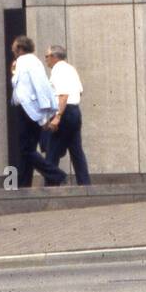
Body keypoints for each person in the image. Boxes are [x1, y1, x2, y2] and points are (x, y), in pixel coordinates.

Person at [10, 35, 66, 187]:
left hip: (29, 110)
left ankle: (56, 174)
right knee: (27, 149)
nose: (13, 50)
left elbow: (40, 86)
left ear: (20, 48)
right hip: (29, 109)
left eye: (14, 47)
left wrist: (44, 115)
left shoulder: (28, 62)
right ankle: (24, 183)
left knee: (26, 149)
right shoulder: (27, 62)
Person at [44, 44, 91, 185]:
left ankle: (51, 183)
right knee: (76, 151)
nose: (46, 59)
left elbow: (63, 95)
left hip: (64, 112)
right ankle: (85, 183)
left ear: (54, 57)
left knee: (52, 150)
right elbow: (79, 91)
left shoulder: (58, 70)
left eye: (47, 56)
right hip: (75, 111)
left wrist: (57, 116)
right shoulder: (71, 69)